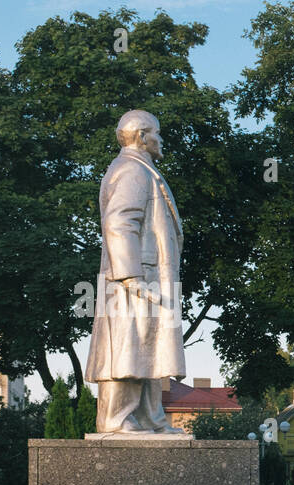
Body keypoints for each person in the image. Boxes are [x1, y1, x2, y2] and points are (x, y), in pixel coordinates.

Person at [84, 109, 187, 433]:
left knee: (149, 352)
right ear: (142, 136)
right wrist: (131, 277)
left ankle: (150, 418)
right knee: (127, 352)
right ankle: (115, 420)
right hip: (136, 278)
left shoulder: (143, 170)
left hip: (147, 276)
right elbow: (119, 222)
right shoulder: (133, 171)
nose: (161, 138)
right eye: (157, 132)